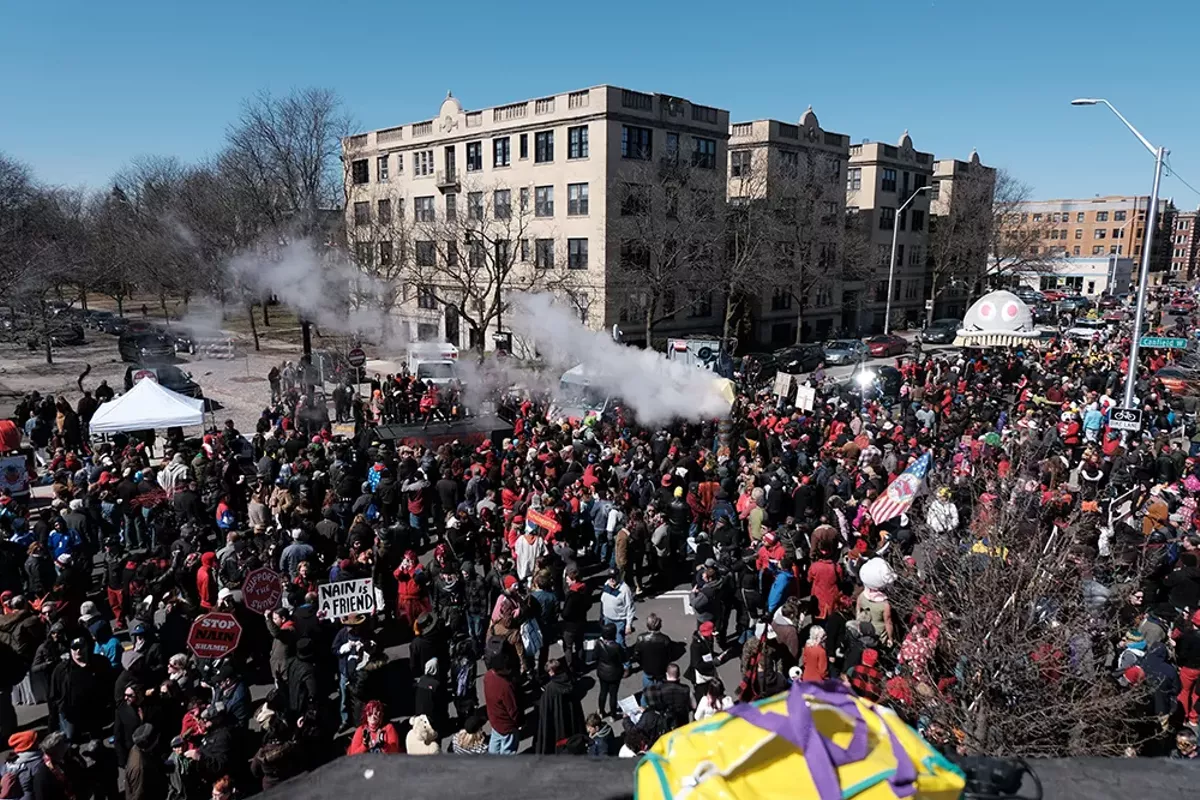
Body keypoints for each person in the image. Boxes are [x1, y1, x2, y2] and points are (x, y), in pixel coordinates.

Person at [534, 657, 585, 754]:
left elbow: (546, 709)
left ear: (552, 672)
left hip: (556, 722)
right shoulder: (570, 680)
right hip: (570, 719)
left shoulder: (551, 688)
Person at [599, 569, 635, 676]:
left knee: (620, 644)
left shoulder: (625, 589)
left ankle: (626, 666)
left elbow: (630, 608)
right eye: (610, 577)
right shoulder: (606, 584)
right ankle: (613, 661)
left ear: (618, 577)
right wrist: (601, 616)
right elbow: (603, 601)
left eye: (614, 577)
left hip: (619, 621)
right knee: (607, 643)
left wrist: (628, 625)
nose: (611, 579)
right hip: (607, 619)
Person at [642, 663, 694, 732]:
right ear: (678, 674)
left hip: (666, 722)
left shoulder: (659, 689)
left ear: (667, 674)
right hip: (682, 721)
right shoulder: (686, 689)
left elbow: (646, 694)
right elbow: (694, 705)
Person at [483, 663, 520, 754]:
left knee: (495, 744)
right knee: (508, 750)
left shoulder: (488, 676)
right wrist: (519, 722)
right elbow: (512, 709)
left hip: (495, 720)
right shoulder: (505, 686)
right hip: (507, 725)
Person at [125, 723, 167, 800]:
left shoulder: (136, 748)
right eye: (156, 738)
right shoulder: (140, 768)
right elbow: (138, 796)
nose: (158, 740)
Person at [594, 623, 624, 720]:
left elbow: (594, 656)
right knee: (613, 695)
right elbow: (623, 658)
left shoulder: (599, 643)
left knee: (603, 692)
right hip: (615, 673)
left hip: (602, 671)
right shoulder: (617, 646)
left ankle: (601, 712)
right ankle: (613, 715)